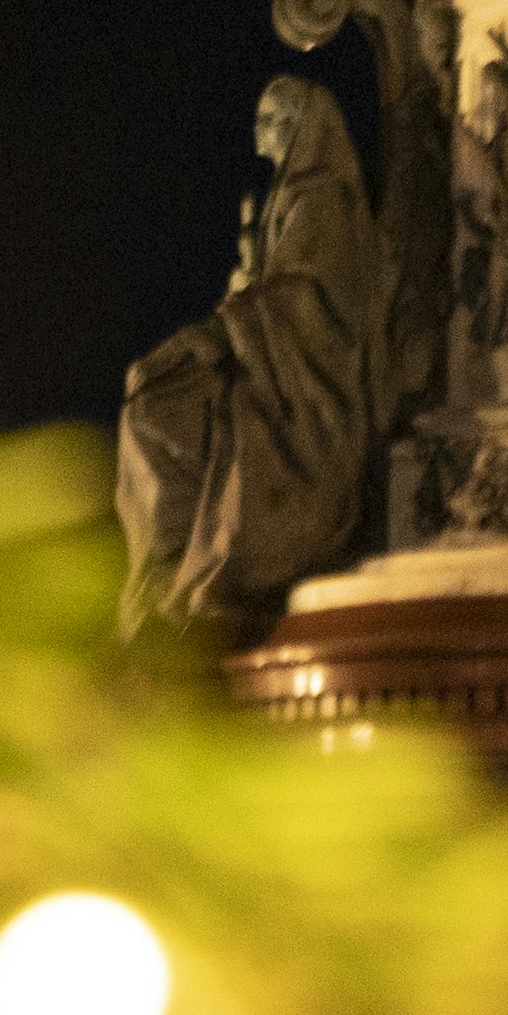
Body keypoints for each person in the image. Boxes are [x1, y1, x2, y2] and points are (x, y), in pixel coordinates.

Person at [115, 77, 388, 632]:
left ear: (299, 129)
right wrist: (240, 301)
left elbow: (306, 303)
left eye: (271, 121)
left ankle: (204, 569)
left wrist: (232, 320)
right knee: (148, 400)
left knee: (184, 416)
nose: (258, 132)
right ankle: (165, 562)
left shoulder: (322, 201)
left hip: (302, 390)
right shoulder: (286, 199)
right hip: (266, 362)